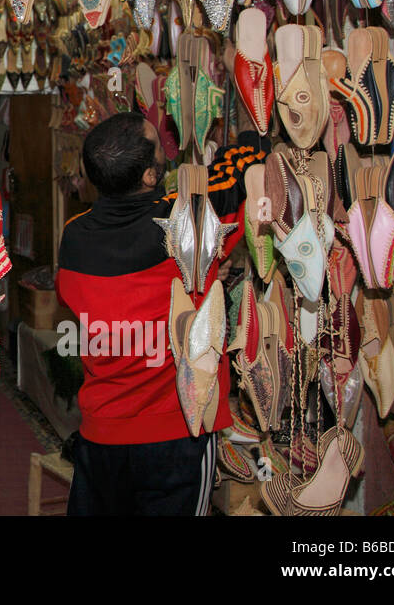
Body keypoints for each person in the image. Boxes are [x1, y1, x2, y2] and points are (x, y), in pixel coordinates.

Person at [55, 111, 266, 515]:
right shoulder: (188, 223)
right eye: (156, 143)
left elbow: (74, 298)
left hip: (102, 431)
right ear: (150, 176)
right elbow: (240, 171)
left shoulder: (74, 238)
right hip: (179, 428)